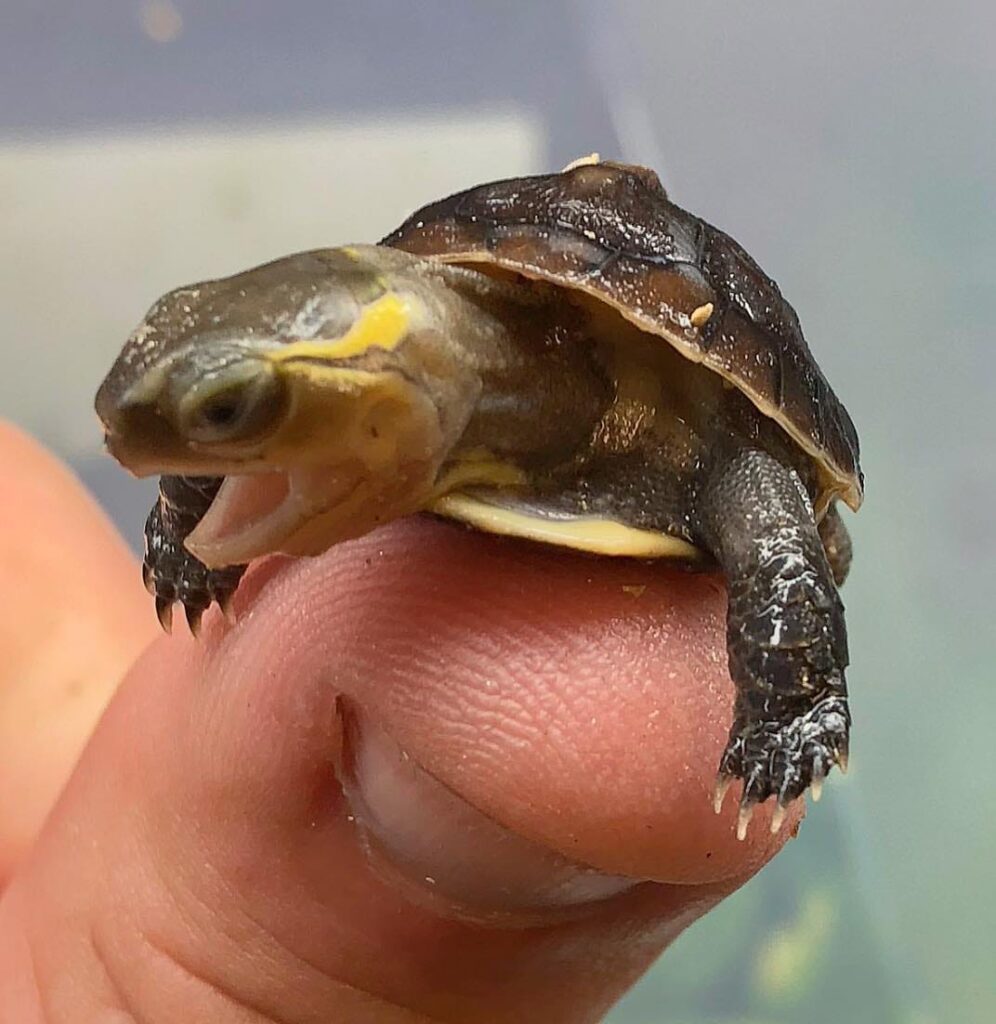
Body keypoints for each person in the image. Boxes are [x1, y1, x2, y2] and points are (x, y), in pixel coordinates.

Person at [0, 421, 798, 1022]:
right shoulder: (387, 395)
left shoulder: (728, 467)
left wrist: (793, 707)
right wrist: (191, 518)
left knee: (773, 536)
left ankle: (796, 714)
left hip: (698, 450)